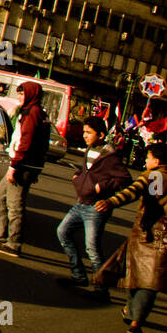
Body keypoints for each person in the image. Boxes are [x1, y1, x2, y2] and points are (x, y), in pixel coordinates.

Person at [96, 142, 167, 333]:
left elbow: (133, 192)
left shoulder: (156, 176)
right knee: (151, 277)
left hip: (148, 232)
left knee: (142, 276)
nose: (145, 160)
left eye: (148, 157)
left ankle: (135, 319)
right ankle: (133, 315)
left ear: (157, 161)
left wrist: (110, 202)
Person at [56, 116, 131, 294]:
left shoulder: (111, 157)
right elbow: (88, 170)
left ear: (101, 134)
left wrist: (103, 186)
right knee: (62, 232)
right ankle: (79, 275)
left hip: (96, 208)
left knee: (92, 248)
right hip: (81, 203)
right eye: (84, 132)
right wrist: (78, 175)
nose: (85, 136)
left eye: (89, 133)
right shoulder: (89, 149)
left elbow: (125, 179)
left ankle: (101, 289)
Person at [0, 81, 50, 258]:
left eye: (22, 94)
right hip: (25, 164)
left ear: (31, 95)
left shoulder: (32, 114)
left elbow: (26, 142)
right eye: (19, 94)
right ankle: (0, 234)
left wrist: (15, 166)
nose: (19, 97)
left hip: (21, 165)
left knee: (14, 205)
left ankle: (13, 243)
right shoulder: (37, 113)